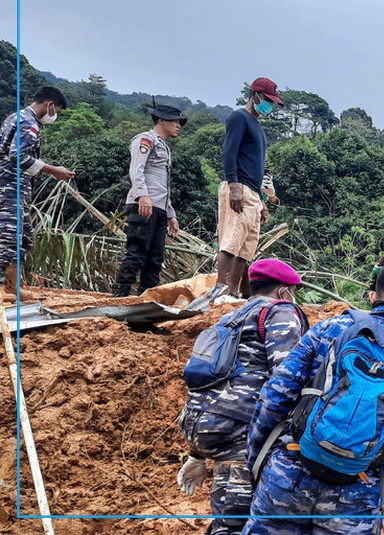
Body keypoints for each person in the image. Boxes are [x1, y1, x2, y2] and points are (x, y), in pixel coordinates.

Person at [244, 260, 384, 535]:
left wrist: (258, 460)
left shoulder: (329, 329)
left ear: (372, 296)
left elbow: (275, 395)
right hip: (358, 487)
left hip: (290, 472)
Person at [177, 259, 308, 535]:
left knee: (227, 517)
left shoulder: (232, 317)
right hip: (239, 432)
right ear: (284, 291)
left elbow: (211, 383)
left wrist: (197, 453)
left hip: (200, 425)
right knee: (238, 522)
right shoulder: (281, 311)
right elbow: (288, 378)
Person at [0, 86, 76, 289]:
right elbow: (19, 156)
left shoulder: (15, 118)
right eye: (56, 112)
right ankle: (4, 290)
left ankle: (12, 287)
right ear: (49, 105)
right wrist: (53, 170)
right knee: (9, 241)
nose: (54, 116)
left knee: (23, 239)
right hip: (10, 188)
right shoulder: (28, 123)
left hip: (16, 188)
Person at [111, 105, 187, 297]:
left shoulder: (165, 147)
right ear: (161, 120)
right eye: (175, 121)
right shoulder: (145, 139)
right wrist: (142, 195)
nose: (178, 125)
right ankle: (120, 295)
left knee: (155, 258)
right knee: (136, 252)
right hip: (143, 205)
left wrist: (171, 215)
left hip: (159, 208)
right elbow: (136, 169)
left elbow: (163, 185)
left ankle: (147, 299)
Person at [218, 77, 283, 298]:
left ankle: (233, 292)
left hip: (254, 193)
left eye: (272, 102)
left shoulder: (257, 125)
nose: (270, 106)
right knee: (232, 240)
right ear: (254, 95)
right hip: (240, 186)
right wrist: (233, 184)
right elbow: (229, 152)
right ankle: (220, 287)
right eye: (267, 100)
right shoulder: (240, 118)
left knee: (246, 246)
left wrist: (262, 203)